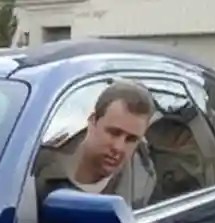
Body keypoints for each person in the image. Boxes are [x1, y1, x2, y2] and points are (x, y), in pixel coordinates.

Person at [34, 78, 157, 208]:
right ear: (93, 121)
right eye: (113, 133)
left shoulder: (142, 176)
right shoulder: (38, 168)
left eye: (131, 139)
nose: (118, 147)